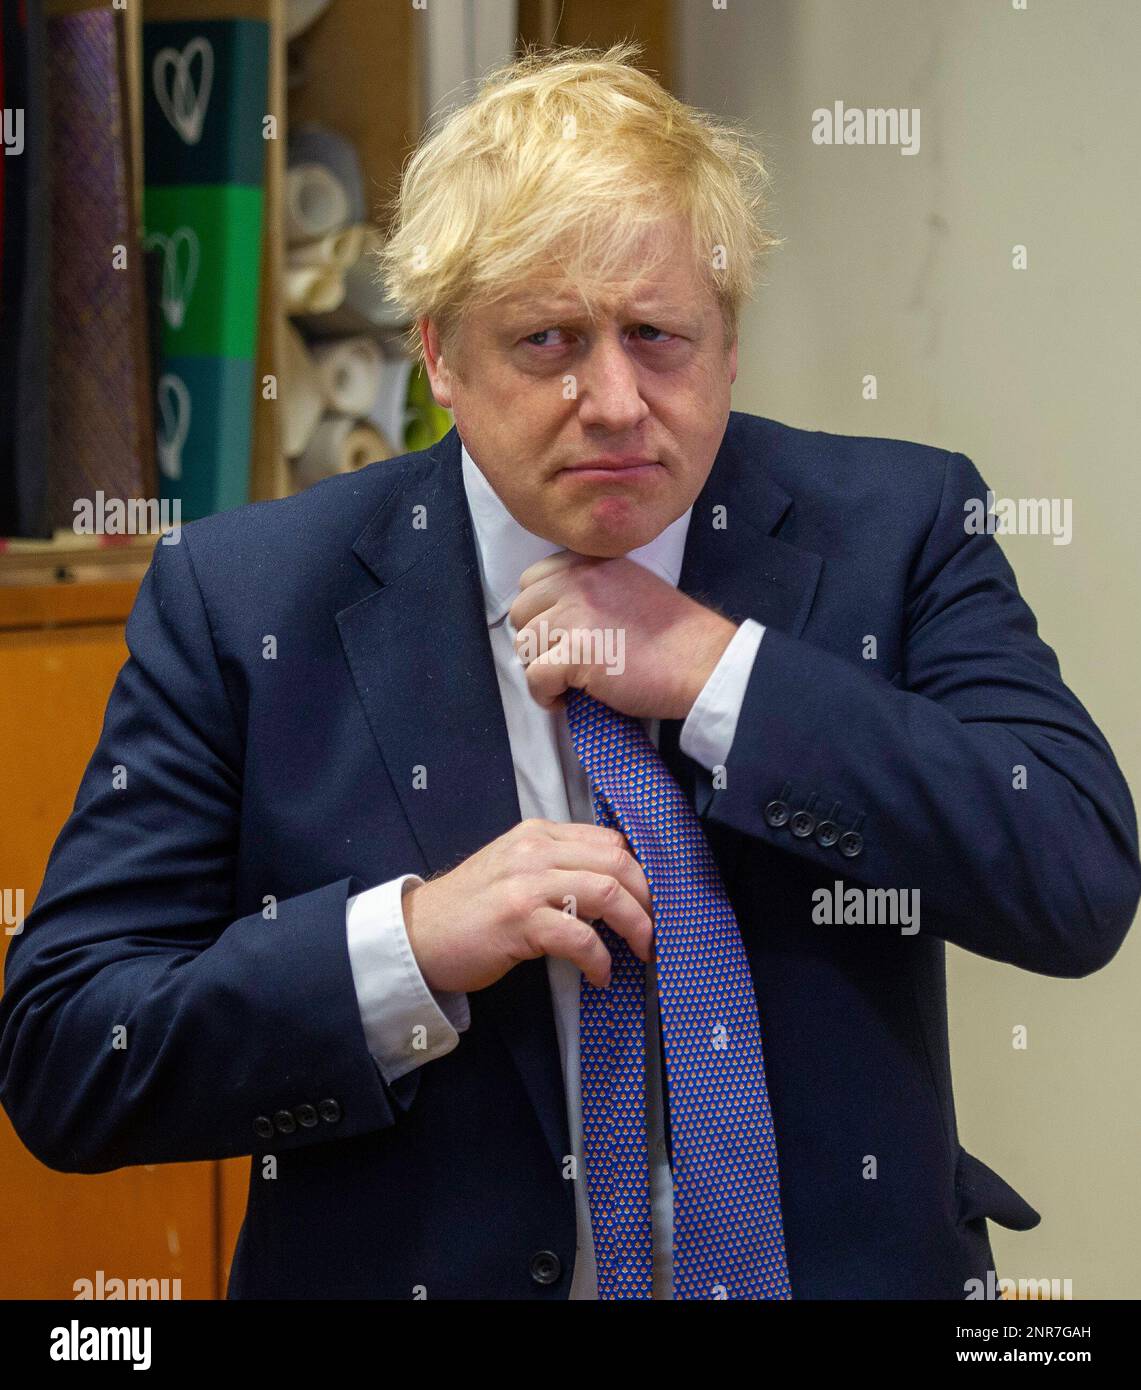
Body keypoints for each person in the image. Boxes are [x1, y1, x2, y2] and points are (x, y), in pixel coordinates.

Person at [2, 44, 1137, 1300]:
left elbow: (1078, 873)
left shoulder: (897, 523)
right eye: (546, 339)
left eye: (659, 337)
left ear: (729, 342)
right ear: (437, 356)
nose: (613, 400)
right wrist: (408, 945)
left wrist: (719, 673)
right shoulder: (250, 598)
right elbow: (68, 1048)